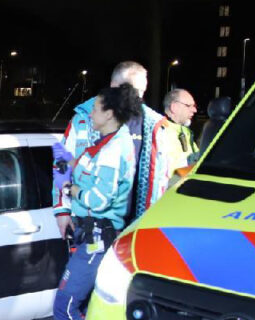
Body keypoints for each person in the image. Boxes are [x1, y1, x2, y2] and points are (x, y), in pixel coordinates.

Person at [51, 83, 140, 320]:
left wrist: (71, 189)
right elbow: (70, 165)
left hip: (97, 237)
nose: (91, 112)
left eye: (96, 108)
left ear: (110, 113)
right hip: (89, 235)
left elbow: (98, 200)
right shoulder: (105, 142)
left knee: (64, 306)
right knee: (74, 305)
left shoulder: (115, 149)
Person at [57, 61, 174, 234]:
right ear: (113, 86)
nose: (135, 97)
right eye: (130, 89)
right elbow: (62, 163)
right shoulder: (84, 118)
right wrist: (62, 209)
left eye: (140, 92)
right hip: (91, 224)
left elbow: (163, 179)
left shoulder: (155, 125)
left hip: (136, 228)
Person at [162, 86, 199, 168]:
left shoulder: (185, 131)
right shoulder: (160, 132)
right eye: (188, 105)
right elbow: (167, 169)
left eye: (194, 106)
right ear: (174, 107)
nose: (194, 110)